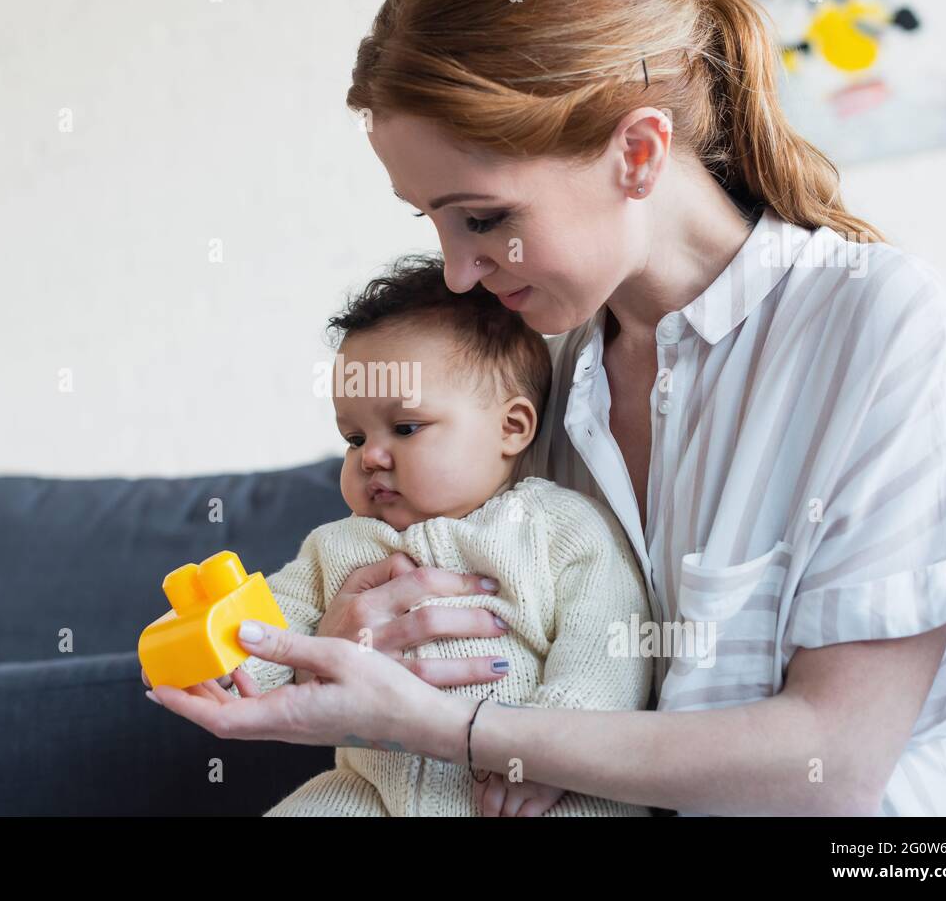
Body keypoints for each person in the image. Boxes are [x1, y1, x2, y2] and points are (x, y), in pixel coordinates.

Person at [147, 0, 946, 815]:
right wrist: (352, 649)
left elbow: (831, 762)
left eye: (485, 218)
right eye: (435, 223)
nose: (455, 274)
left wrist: (462, 730)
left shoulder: (871, 322)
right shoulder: (529, 369)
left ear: (637, 154)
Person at [245, 254, 652, 816]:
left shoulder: (558, 528)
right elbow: (271, 623)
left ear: (511, 428)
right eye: (354, 437)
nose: (371, 457)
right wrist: (222, 661)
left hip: (526, 785)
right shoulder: (338, 547)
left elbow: (606, 644)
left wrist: (547, 748)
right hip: (376, 791)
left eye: (406, 427)